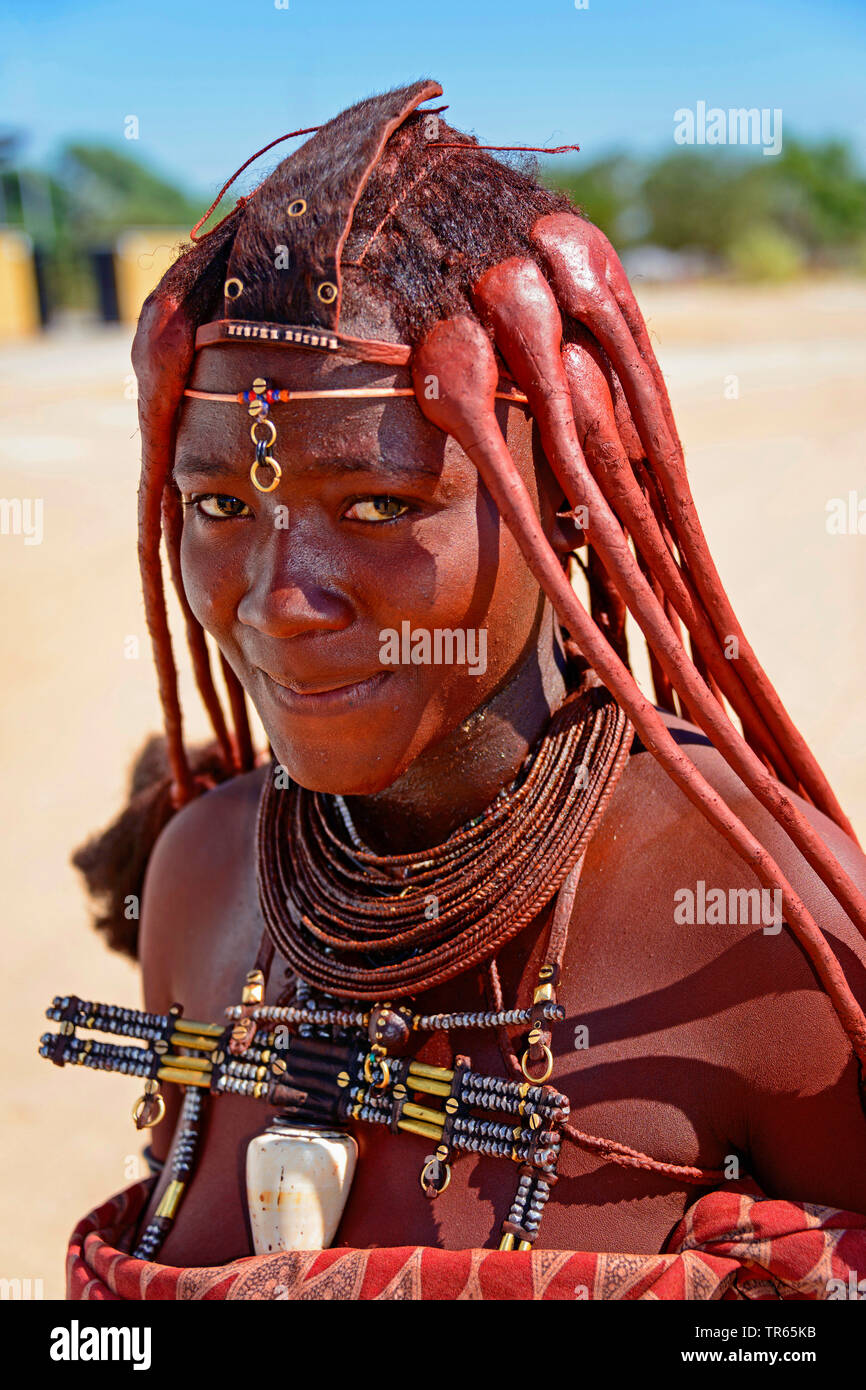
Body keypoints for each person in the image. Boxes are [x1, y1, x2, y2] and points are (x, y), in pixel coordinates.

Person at [63, 79, 866, 1300]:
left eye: (379, 506)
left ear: (567, 503)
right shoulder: (203, 875)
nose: (282, 595)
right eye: (220, 506)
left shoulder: (755, 923)